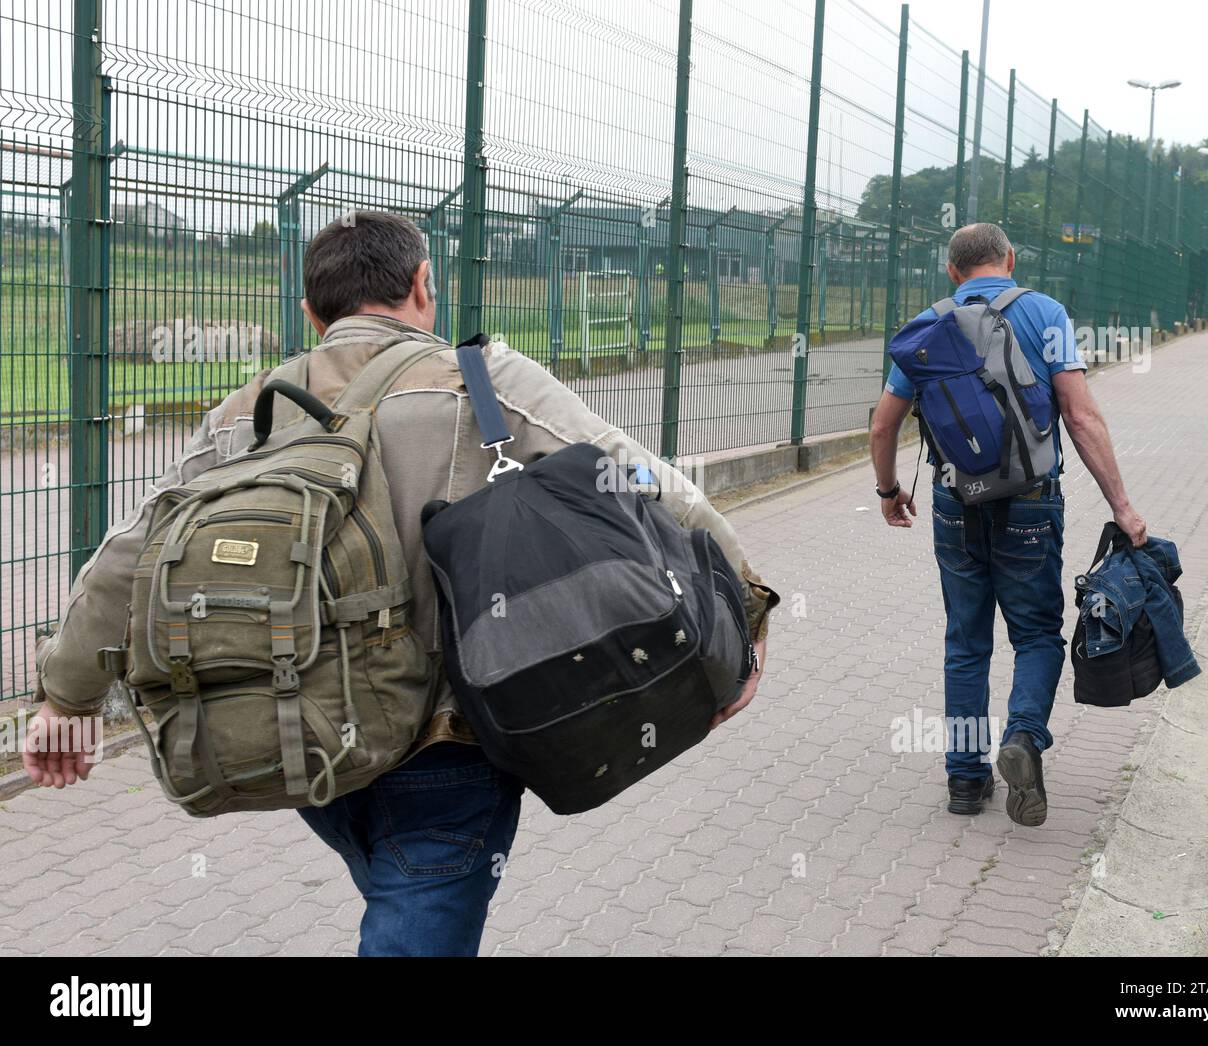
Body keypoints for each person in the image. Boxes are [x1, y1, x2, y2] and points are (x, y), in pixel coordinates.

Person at [25, 211, 778, 956]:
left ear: (311, 311)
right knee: (414, 917)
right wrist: (744, 618)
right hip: (443, 753)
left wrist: (66, 701)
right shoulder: (485, 381)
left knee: (395, 890)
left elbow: (128, 555)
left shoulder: (248, 413)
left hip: (302, 741)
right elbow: (649, 484)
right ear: (424, 285)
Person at [869, 223, 1146, 827]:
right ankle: (1022, 738)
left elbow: (883, 427)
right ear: (1010, 261)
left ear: (952, 270)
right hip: (1031, 501)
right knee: (1038, 635)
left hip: (953, 501)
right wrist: (1122, 506)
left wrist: (890, 491)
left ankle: (966, 782)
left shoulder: (926, 324)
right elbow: (1080, 415)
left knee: (966, 641)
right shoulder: (1044, 312)